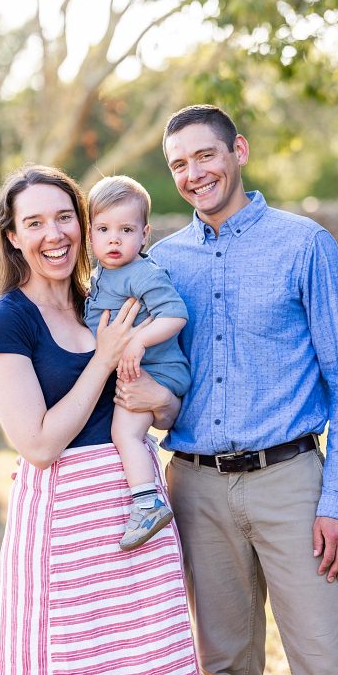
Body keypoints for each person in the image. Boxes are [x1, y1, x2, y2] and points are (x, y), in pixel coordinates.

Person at [117, 104, 338, 675]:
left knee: (329, 666)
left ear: (240, 152)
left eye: (206, 155)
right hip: (196, 489)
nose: (193, 173)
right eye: (178, 164)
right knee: (224, 670)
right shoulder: (161, 264)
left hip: (293, 486)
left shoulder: (305, 245)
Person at [0, 165, 200, 675]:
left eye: (63, 218)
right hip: (66, 526)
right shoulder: (6, 321)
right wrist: (102, 360)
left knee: (153, 665)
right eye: (33, 223)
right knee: (78, 667)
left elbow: (160, 412)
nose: (53, 235)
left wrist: (161, 399)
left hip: (140, 513)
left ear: (84, 223)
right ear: (12, 237)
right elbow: (38, 445)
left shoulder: (100, 298)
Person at [84, 175, 191, 551]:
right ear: (90, 235)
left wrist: (137, 341)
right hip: (137, 371)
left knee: (124, 433)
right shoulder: (101, 274)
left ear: (144, 234)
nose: (114, 239)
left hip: (158, 371)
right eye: (104, 229)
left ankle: (147, 504)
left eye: (126, 229)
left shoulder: (143, 272)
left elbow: (175, 314)